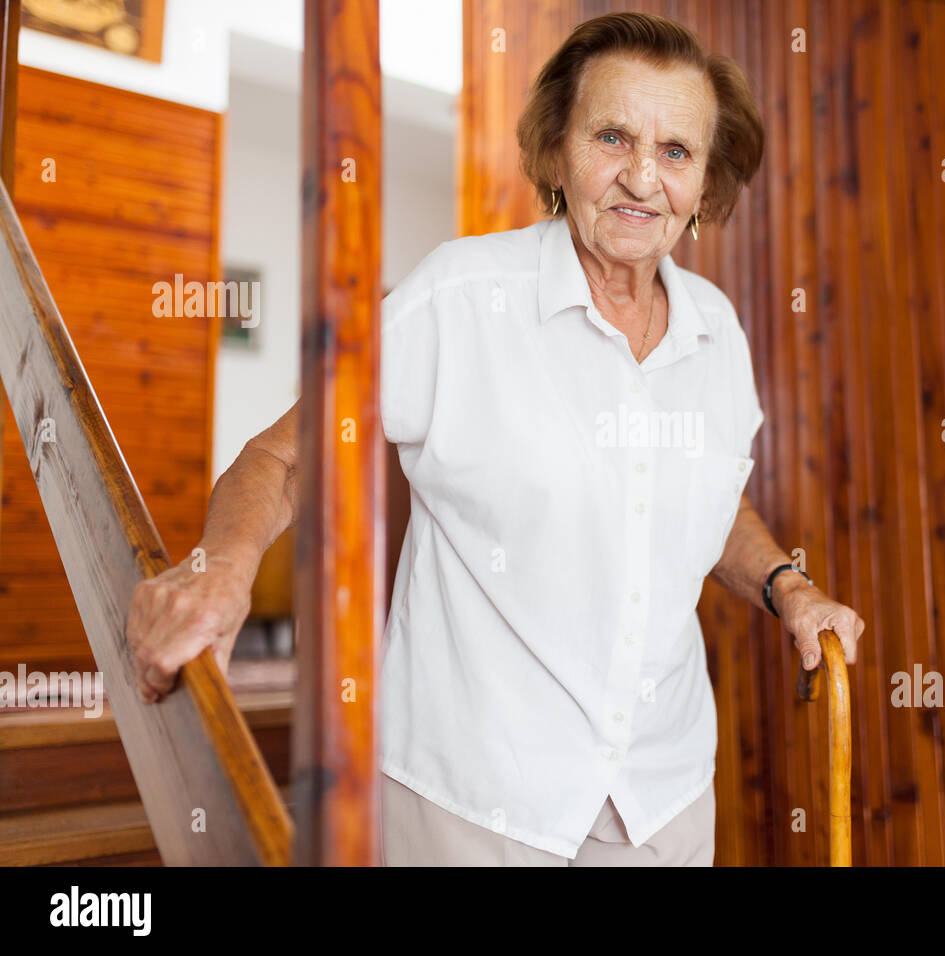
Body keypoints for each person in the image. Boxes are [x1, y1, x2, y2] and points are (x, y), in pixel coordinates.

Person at [126, 11, 864, 866]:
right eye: (612, 136)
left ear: (705, 183)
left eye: (676, 152)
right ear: (557, 152)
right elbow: (285, 458)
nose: (640, 177)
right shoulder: (461, 298)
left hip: (664, 802)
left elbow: (705, 501)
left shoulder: (718, 333)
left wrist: (786, 586)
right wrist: (218, 573)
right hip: (471, 805)